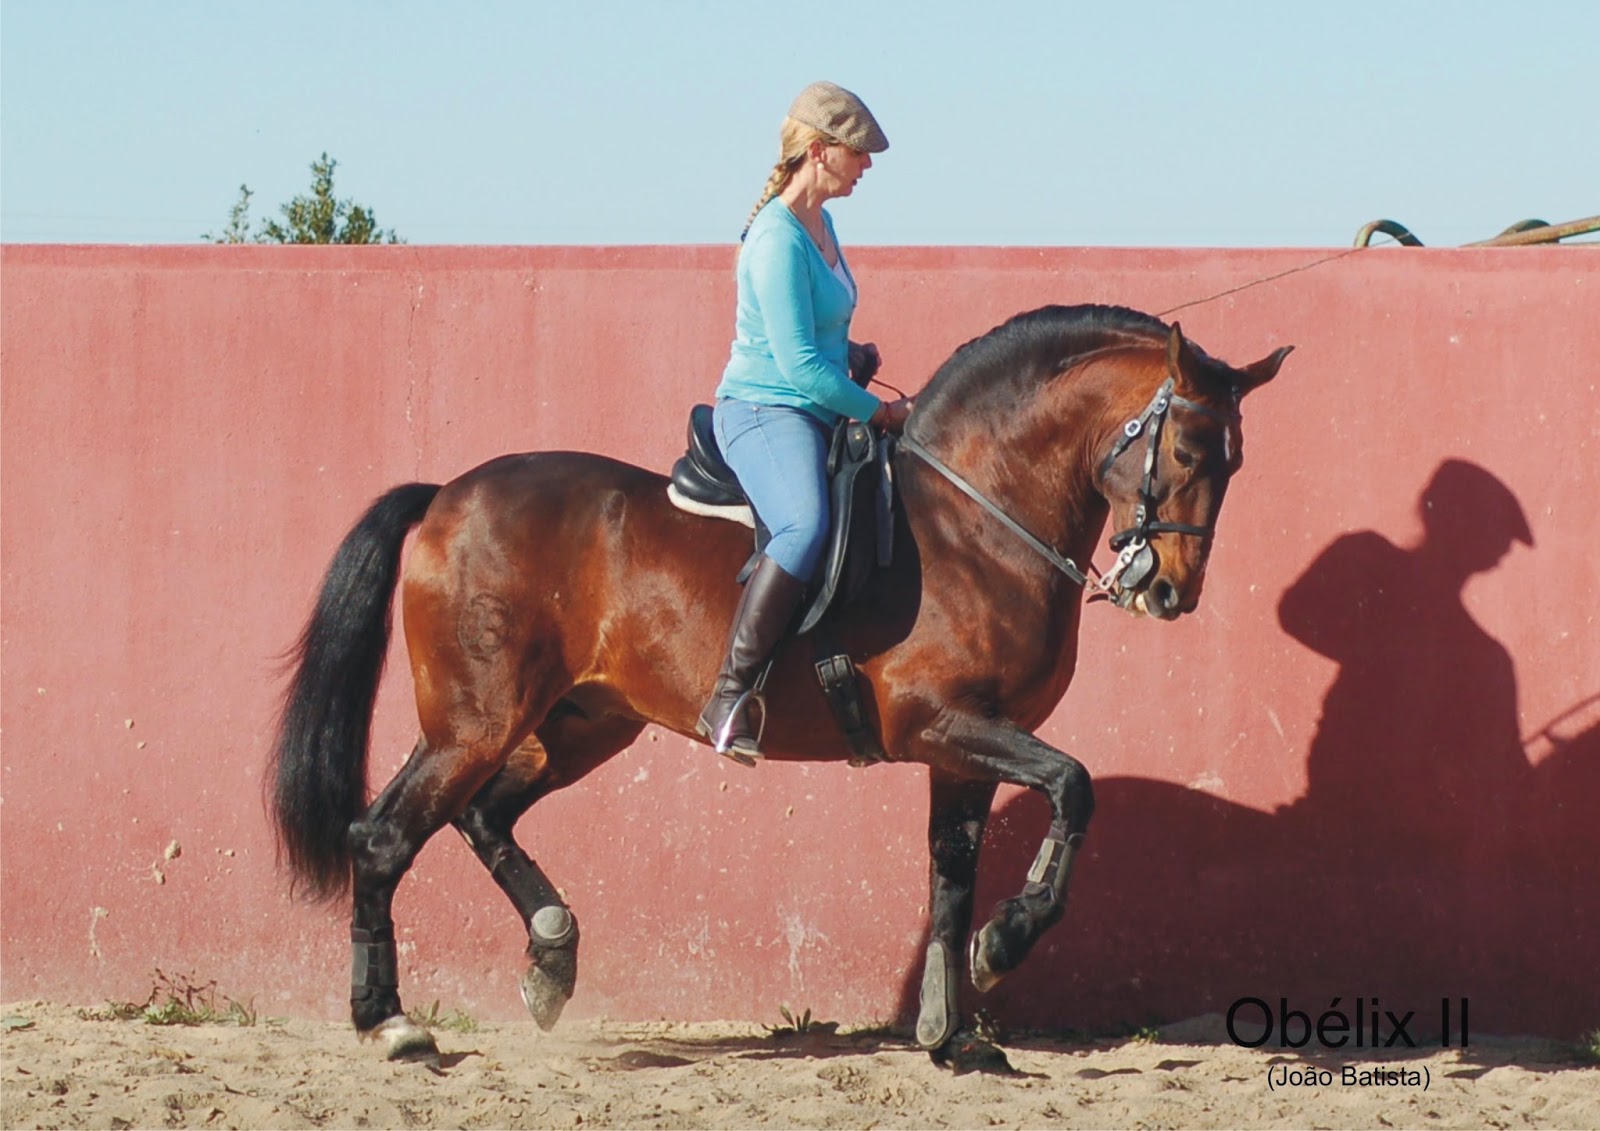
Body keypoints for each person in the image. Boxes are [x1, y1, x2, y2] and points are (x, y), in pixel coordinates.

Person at [696, 80, 913, 763]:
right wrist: (879, 409)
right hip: (766, 410)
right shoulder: (776, 240)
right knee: (805, 523)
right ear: (820, 152)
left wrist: (849, 353)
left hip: (815, 406)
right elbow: (794, 369)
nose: (867, 166)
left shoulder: (822, 225)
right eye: (858, 152)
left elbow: (816, 340)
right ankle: (730, 696)